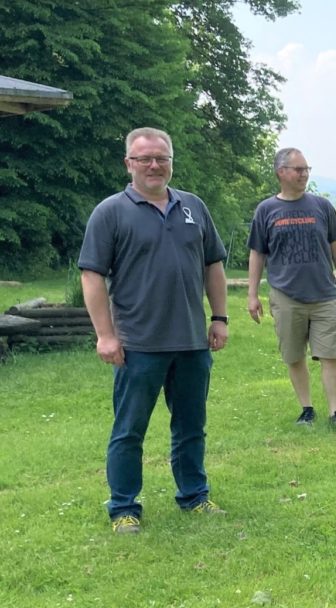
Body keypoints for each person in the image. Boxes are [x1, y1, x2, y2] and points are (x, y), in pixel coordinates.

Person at [78, 127, 229, 535]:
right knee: (129, 430)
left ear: (171, 162)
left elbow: (213, 264)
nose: (154, 165)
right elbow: (92, 276)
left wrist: (219, 317)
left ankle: (194, 496)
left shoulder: (193, 207)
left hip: (192, 342)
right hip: (138, 345)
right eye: (144, 158)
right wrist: (105, 335)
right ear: (128, 163)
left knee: (191, 426)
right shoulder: (110, 212)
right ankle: (124, 507)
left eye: (161, 158)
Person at [247, 148, 336, 433]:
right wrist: (252, 294)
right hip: (285, 296)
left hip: (324, 294)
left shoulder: (322, 206)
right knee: (294, 355)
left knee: (330, 354)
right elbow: (257, 253)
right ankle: (307, 409)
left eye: (307, 169)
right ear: (281, 172)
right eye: (298, 169)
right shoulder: (266, 210)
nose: (304, 174)